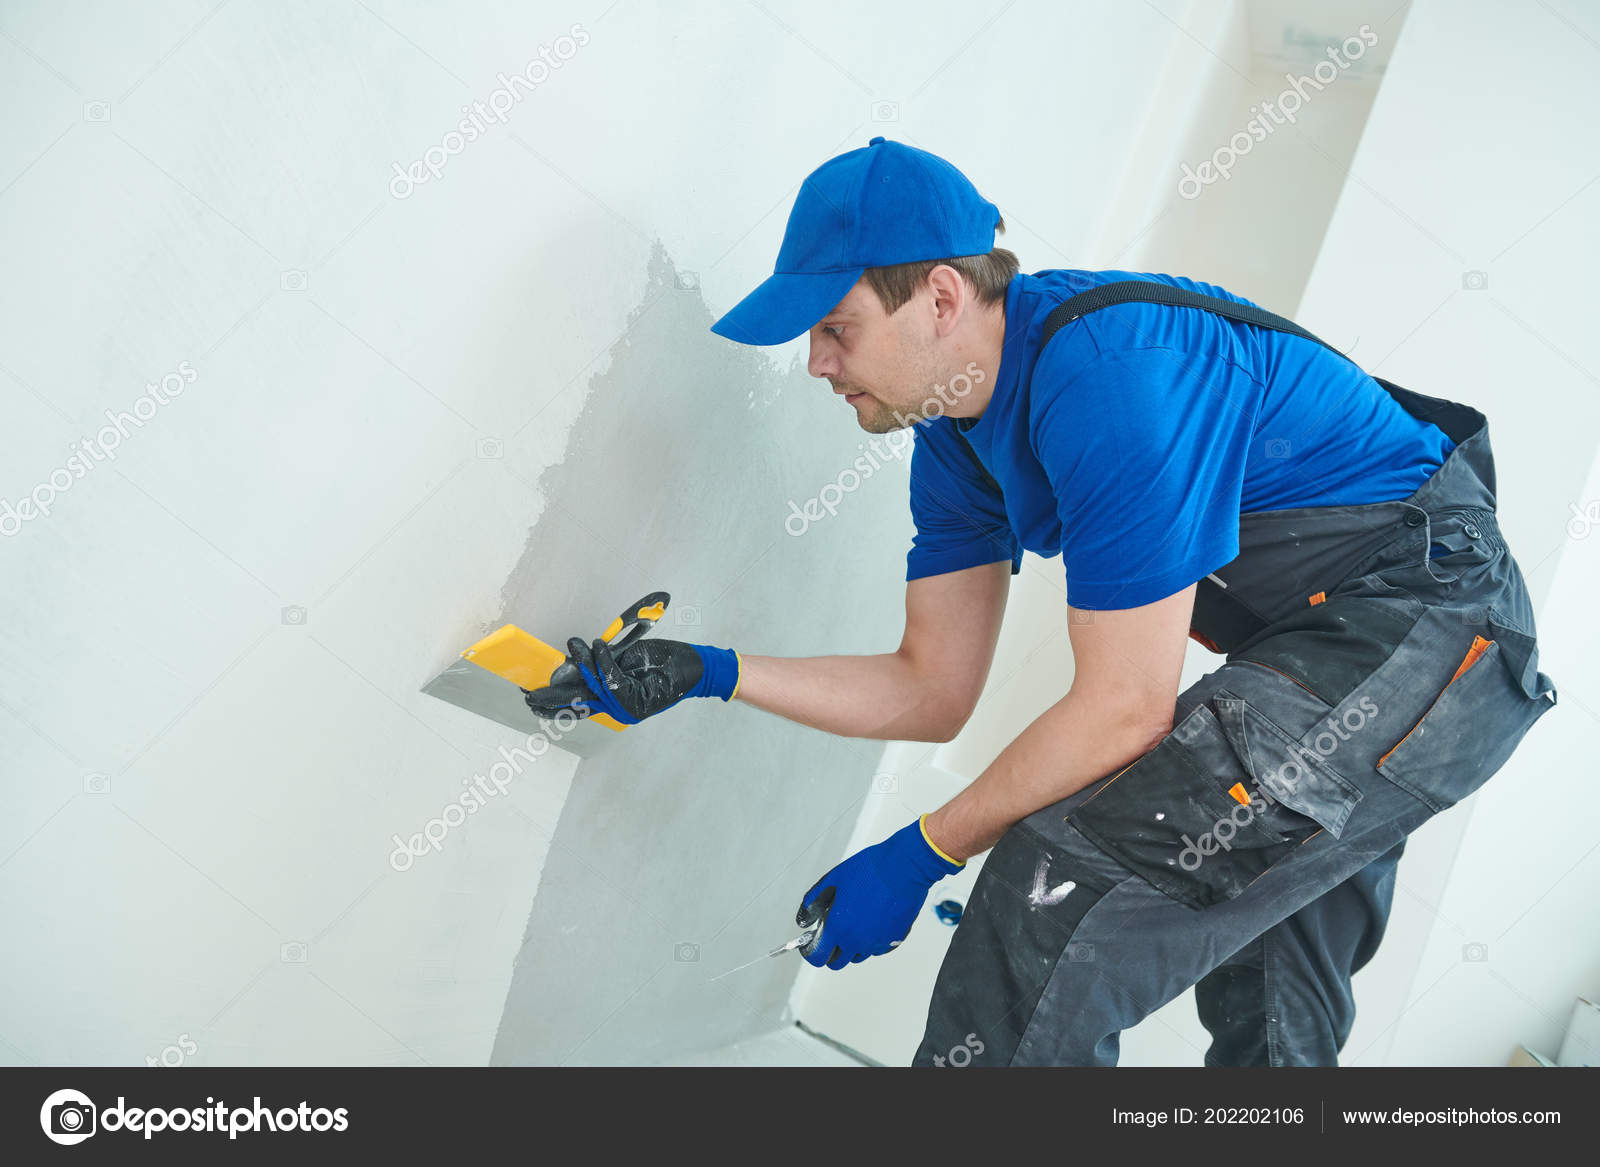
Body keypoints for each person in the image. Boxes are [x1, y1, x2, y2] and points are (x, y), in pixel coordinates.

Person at [524, 137, 1558, 1066]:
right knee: (1269, 998)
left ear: (937, 297)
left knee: (1053, 893)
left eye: (835, 328)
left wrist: (924, 848)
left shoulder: (1110, 376)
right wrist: (710, 672)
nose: (816, 364)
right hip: (1363, 653)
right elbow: (928, 689)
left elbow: (1122, 708)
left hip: (1431, 632)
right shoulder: (954, 444)